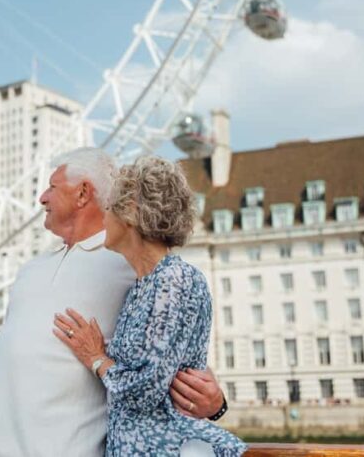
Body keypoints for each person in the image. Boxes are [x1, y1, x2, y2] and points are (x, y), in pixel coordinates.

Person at [0, 148, 227, 456]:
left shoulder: (133, 269)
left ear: (82, 193)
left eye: (51, 186)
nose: (41, 198)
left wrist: (216, 404)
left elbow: (173, 360)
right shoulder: (30, 271)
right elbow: (2, 373)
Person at [53, 155, 245, 456]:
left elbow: (144, 389)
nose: (104, 218)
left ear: (129, 211)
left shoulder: (175, 280)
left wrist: (96, 358)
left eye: (109, 208)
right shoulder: (142, 287)